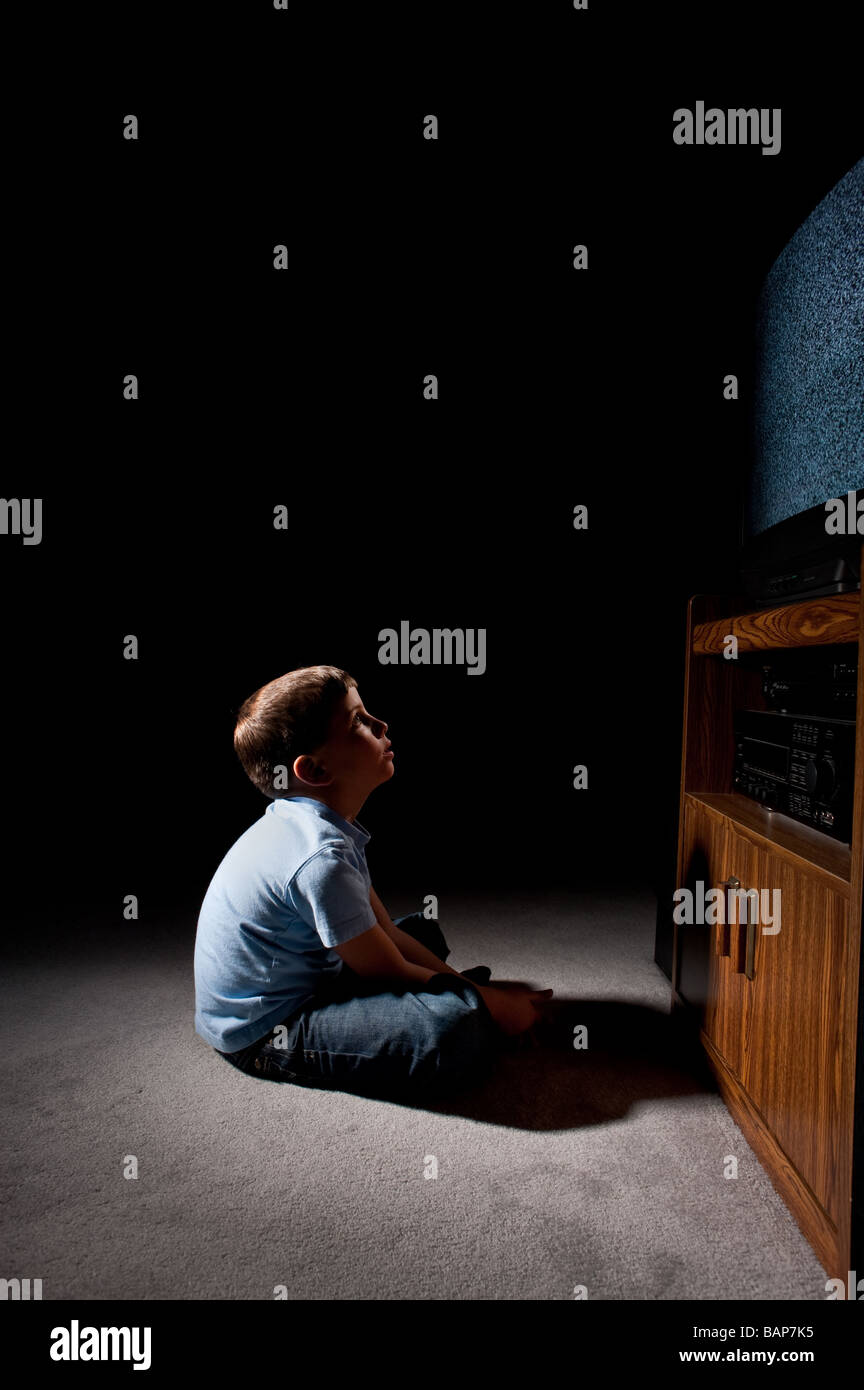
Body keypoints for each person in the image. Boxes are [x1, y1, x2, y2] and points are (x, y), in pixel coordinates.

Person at [193, 664, 553, 1098]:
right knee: (455, 1029)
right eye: (358, 722)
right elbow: (391, 969)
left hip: (317, 977)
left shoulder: (323, 827)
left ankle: (458, 998)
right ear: (315, 770)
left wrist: (472, 990)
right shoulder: (319, 856)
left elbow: (383, 932)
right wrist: (491, 1008)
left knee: (419, 929)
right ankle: (460, 1008)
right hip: (268, 1029)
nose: (381, 725)